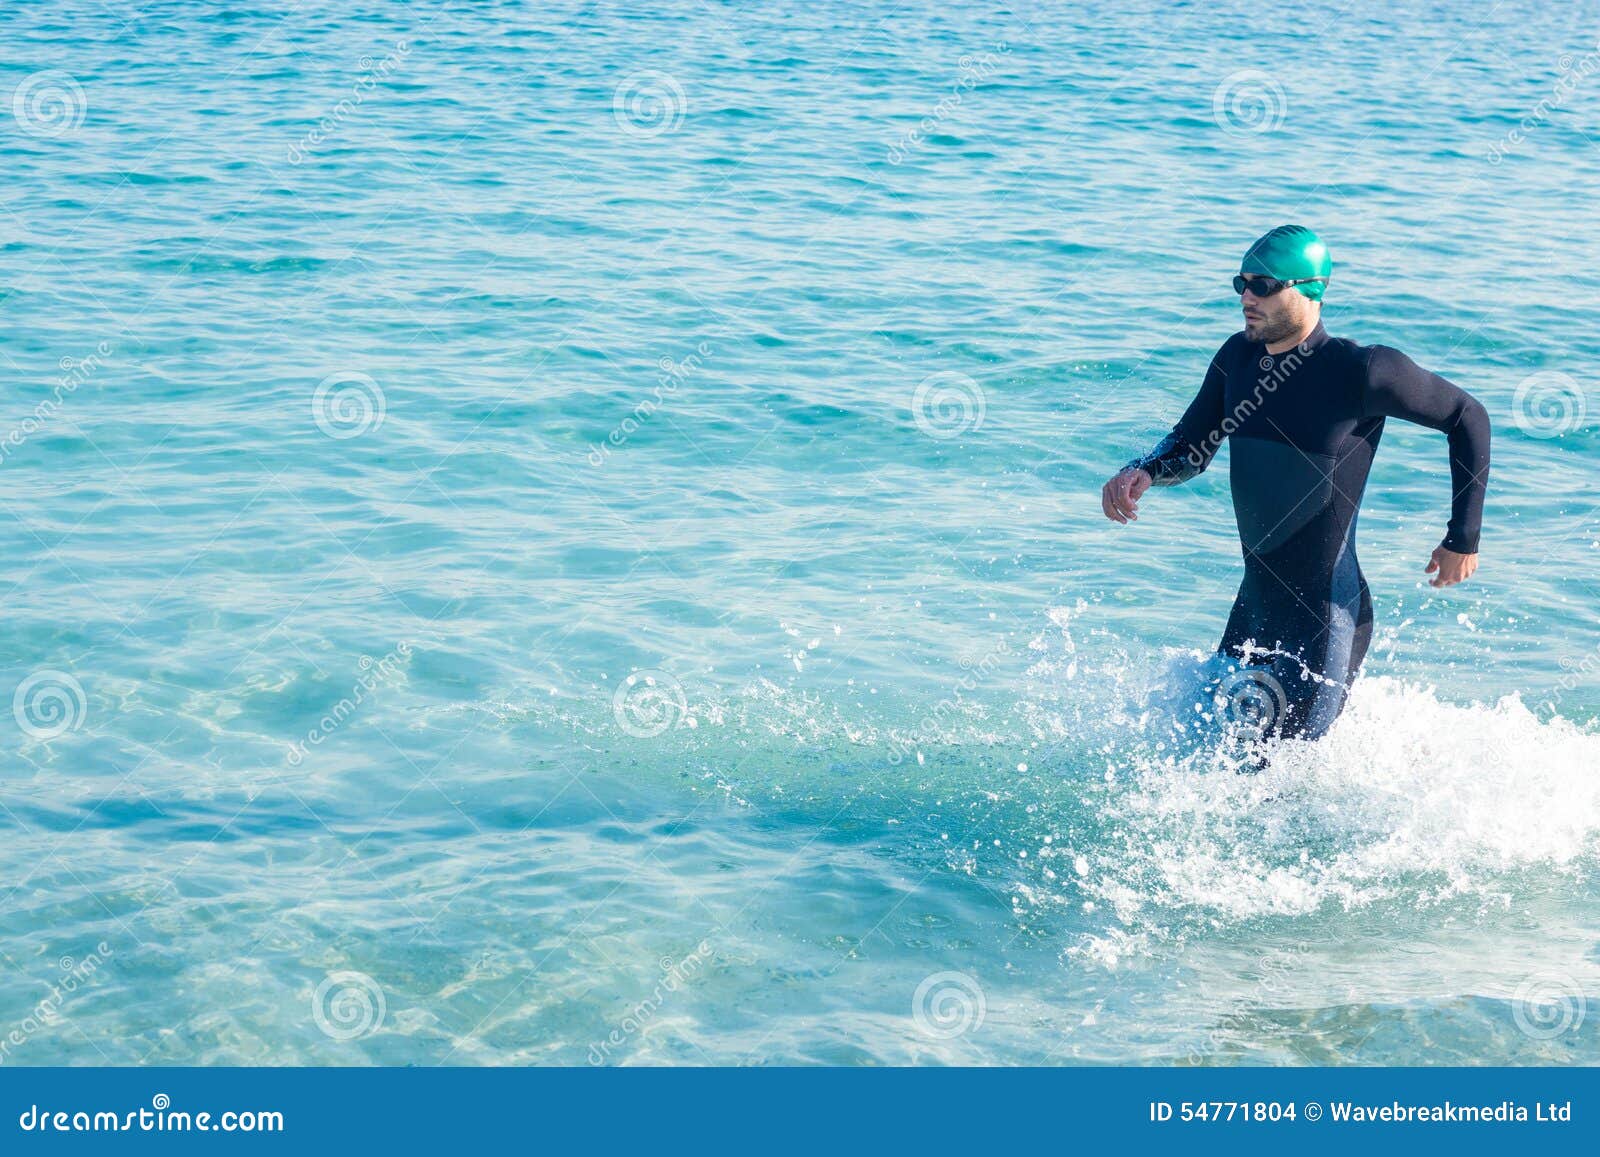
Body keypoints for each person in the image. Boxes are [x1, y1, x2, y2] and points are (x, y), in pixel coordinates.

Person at [1099, 225, 1490, 741]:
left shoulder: (1362, 370)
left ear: (1310, 289)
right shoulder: (1236, 359)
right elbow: (1192, 445)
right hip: (1253, 612)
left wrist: (1461, 539)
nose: (1246, 296)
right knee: (1200, 758)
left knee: (1279, 786)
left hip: (1325, 621)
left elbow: (1467, 415)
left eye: (1263, 284)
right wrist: (1144, 471)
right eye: (1241, 282)